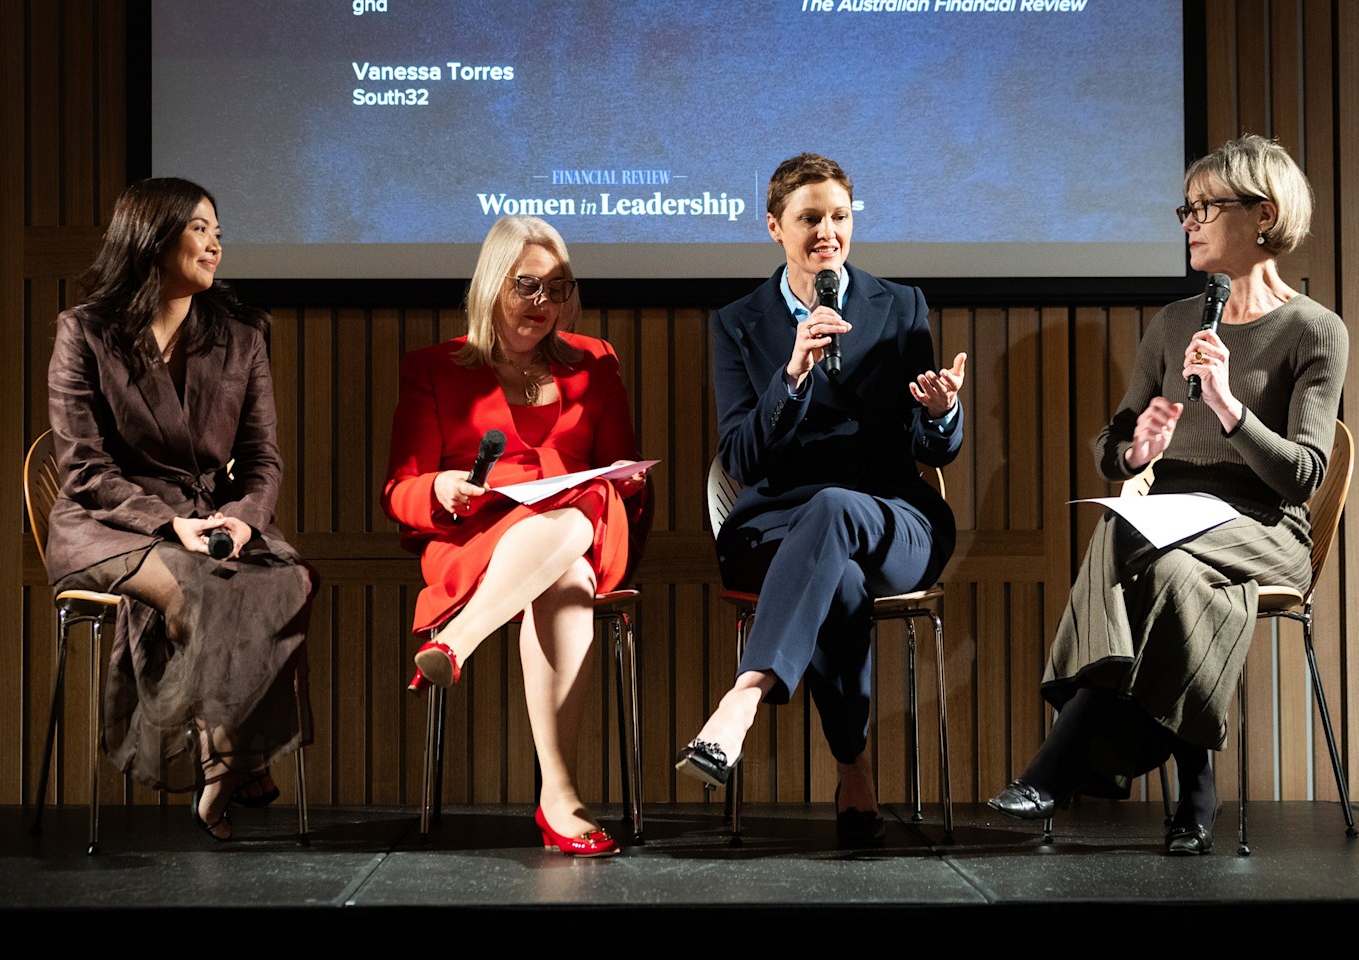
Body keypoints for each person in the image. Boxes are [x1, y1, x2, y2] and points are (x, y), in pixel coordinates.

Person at [988, 135, 1347, 855]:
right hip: (1175, 528)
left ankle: (1069, 756)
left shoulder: (1315, 331)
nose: (1187, 220)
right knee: (1173, 571)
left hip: (1266, 528)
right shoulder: (1174, 321)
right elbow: (1109, 443)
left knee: (1138, 542)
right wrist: (1136, 449)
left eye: (1205, 207)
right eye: (1185, 207)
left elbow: (1305, 474)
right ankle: (1193, 795)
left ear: (1263, 215)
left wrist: (1228, 408)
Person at [675, 154, 967, 844]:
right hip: (778, 525)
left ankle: (744, 697)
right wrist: (793, 375)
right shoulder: (740, 322)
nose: (827, 232)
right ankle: (854, 767)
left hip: (893, 520)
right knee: (834, 576)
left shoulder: (900, 305)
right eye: (810, 219)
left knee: (837, 508)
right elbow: (741, 459)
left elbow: (933, 453)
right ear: (775, 226)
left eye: (839, 217)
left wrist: (939, 413)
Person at [46, 177, 316, 842]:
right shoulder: (83, 333)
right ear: (152, 237)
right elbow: (82, 467)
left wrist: (244, 518)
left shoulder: (241, 337)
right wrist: (169, 525)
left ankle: (232, 750)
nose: (215, 243)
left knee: (289, 579)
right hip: (105, 524)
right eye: (199, 228)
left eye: (218, 231)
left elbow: (262, 460)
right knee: (201, 589)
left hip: (210, 517)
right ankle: (225, 761)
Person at [383, 215, 648, 857]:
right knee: (567, 579)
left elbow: (628, 472)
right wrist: (442, 489)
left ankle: (457, 643)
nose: (543, 304)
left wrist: (617, 483)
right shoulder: (432, 368)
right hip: (480, 541)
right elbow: (401, 492)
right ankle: (560, 799)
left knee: (584, 502)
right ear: (493, 283)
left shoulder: (595, 361)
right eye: (528, 286)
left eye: (557, 289)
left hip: (590, 524)